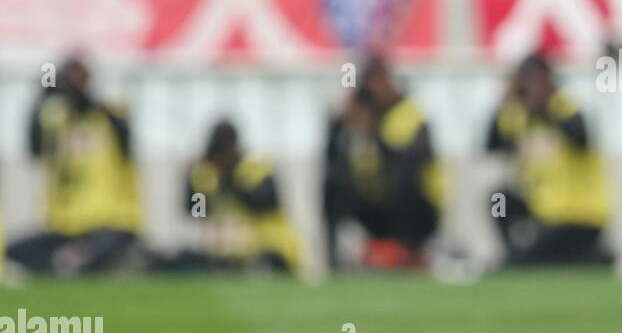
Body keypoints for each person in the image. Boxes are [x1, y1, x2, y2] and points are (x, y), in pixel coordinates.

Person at [6, 57, 141, 276]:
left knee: (96, 249)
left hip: (110, 223)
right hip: (65, 227)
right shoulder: (57, 121)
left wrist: (86, 99)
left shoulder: (108, 117)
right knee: (14, 251)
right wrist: (43, 97)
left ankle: (74, 262)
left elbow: (126, 138)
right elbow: (34, 150)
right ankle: (67, 262)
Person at [486, 54, 611, 266]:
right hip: (541, 209)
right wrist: (503, 103)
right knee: (499, 198)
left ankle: (595, 257)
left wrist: (544, 106)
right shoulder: (518, 115)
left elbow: (580, 139)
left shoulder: (566, 109)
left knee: (533, 259)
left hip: (578, 214)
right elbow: (492, 145)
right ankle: (510, 249)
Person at [323, 57, 442, 269]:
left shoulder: (410, 114)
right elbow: (331, 158)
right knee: (334, 184)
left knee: (403, 186)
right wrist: (341, 122)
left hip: (419, 207)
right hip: (376, 202)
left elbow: (411, 166)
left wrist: (376, 135)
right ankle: (333, 261)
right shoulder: (360, 120)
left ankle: (410, 252)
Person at [160, 120, 301, 275]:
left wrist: (230, 179)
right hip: (226, 250)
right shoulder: (206, 175)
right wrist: (194, 182)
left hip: (269, 247)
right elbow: (197, 213)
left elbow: (262, 204)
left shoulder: (257, 168)